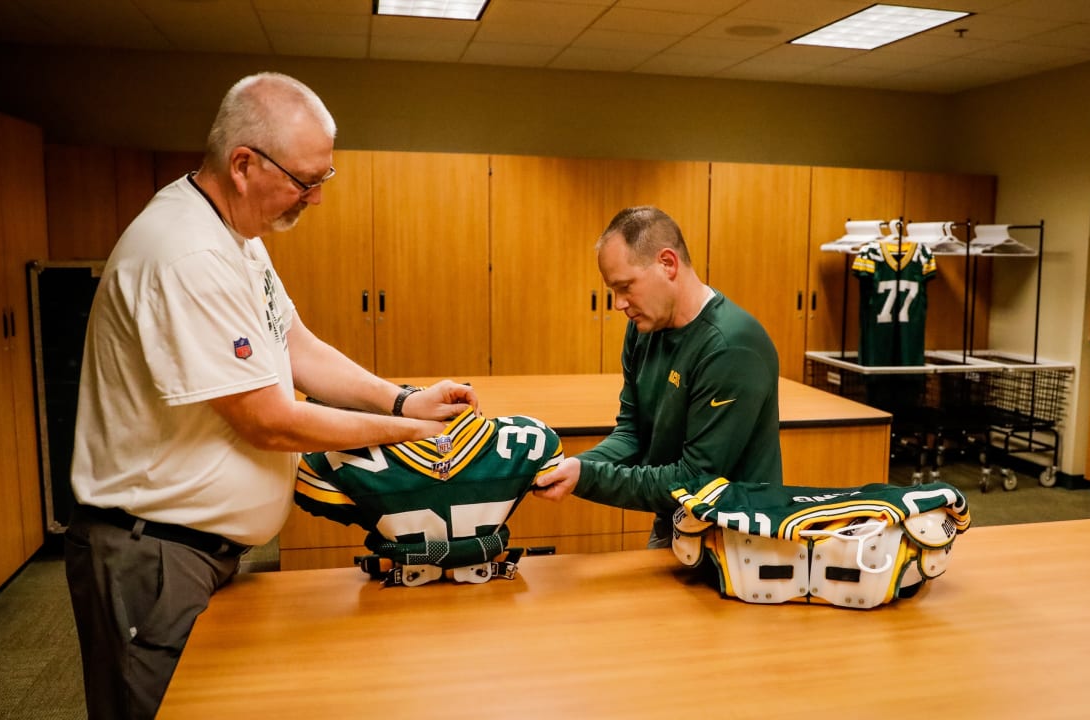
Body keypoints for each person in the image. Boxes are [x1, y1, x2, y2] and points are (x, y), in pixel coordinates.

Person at [63, 72, 476, 720]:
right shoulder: (186, 253)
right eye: (304, 181)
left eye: (323, 180)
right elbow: (270, 423)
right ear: (244, 164)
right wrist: (406, 437)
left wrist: (401, 402)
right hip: (152, 555)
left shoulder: (238, 237)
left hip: (201, 549)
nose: (314, 199)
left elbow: (295, 346)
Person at [532, 206, 782, 547]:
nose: (619, 304)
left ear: (668, 263)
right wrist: (568, 467)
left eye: (625, 287)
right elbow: (632, 433)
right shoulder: (644, 329)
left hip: (738, 542)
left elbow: (697, 481)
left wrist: (586, 476)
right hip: (677, 523)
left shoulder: (731, 347)